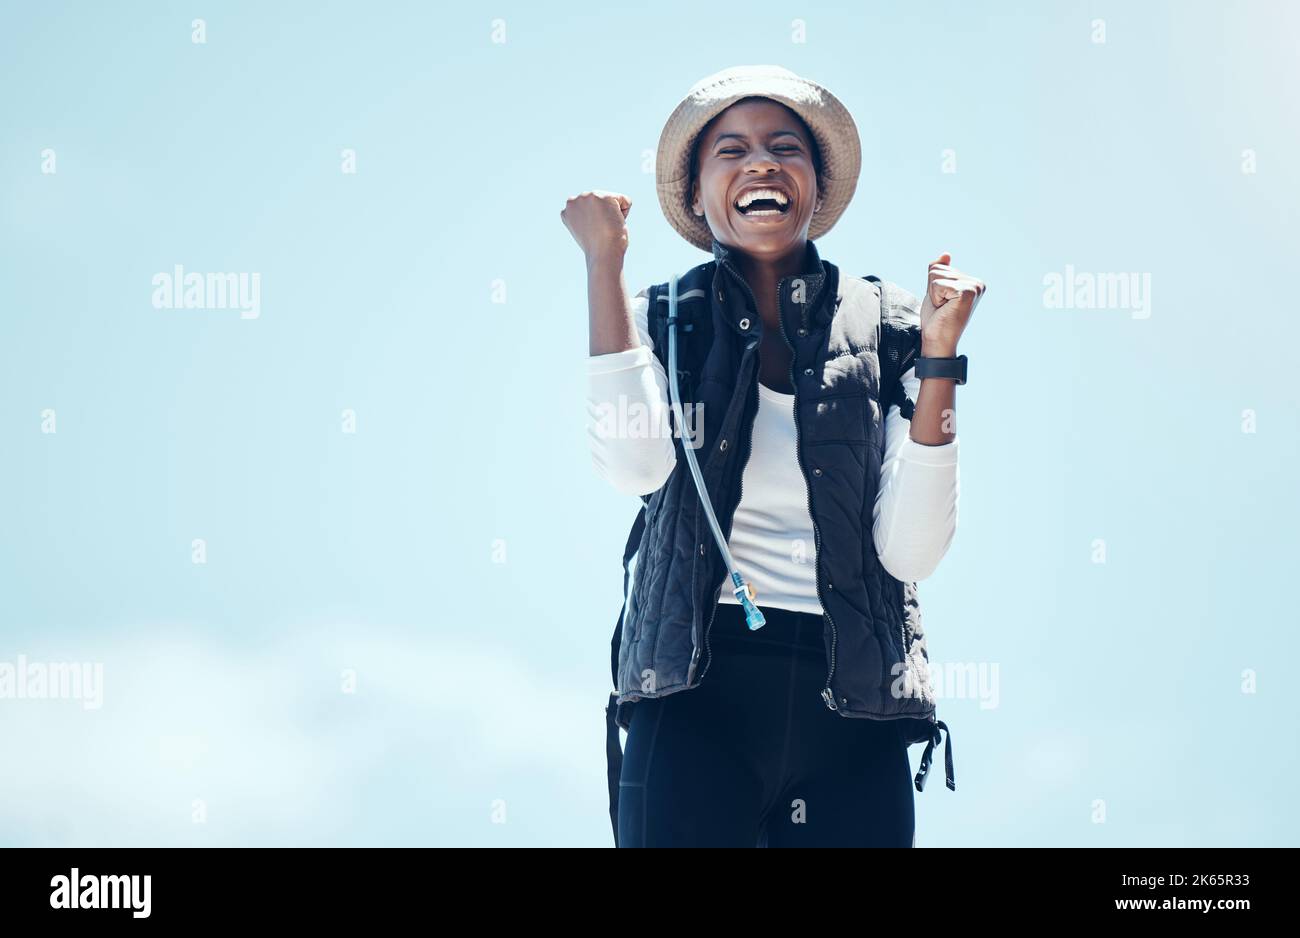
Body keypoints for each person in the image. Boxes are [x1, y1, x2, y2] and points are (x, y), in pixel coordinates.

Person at [562, 65, 985, 847]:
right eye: (732, 150)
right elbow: (635, 468)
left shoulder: (891, 323)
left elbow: (912, 548)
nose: (760, 162)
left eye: (784, 147)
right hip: (694, 695)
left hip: (854, 704)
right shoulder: (662, 317)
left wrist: (938, 359)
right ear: (695, 194)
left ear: (816, 188)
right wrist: (603, 267)